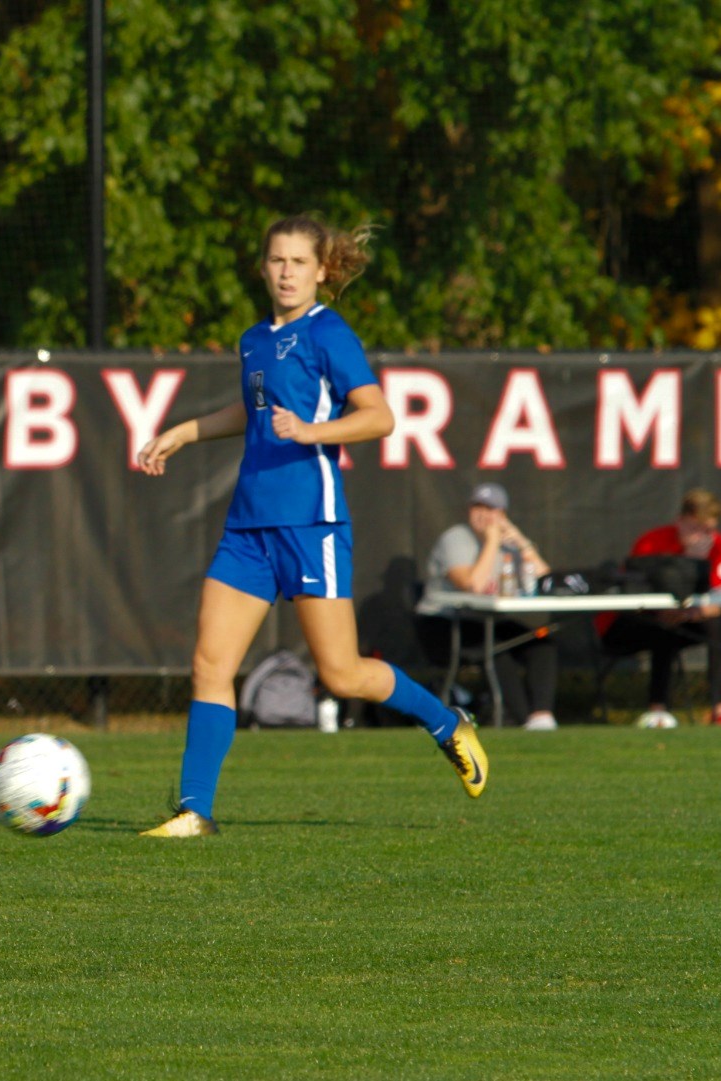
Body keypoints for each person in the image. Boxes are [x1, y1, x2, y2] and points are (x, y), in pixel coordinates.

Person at [134, 214, 488, 838]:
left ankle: (447, 724)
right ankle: (194, 811)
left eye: (299, 262)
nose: (287, 272)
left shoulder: (330, 332)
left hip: (311, 524)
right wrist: (183, 433)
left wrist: (314, 432)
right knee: (209, 666)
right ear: (263, 268)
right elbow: (253, 412)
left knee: (342, 673)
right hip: (248, 528)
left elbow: (378, 417)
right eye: (277, 261)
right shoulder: (254, 340)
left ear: (322, 270)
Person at [417, 483, 559, 730]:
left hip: (490, 619)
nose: (483, 515)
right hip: (447, 623)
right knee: (497, 649)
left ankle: (541, 717)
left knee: (541, 642)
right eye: (477, 507)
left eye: (491, 509)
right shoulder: (456, 538)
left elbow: (547, 581)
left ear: (502, 514)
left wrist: (522, 543)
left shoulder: (511, 542)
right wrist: (492, 541)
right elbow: (473, 584)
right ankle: (522, 717)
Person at [598, 489, 721, 728]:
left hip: (687, 619)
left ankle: (718, 709)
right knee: (663, 630)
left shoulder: (716, 547)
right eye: (694, 528)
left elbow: (717, 596)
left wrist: (691, 607)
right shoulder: (653, 542)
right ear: (680, 521)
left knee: (717, 625)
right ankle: (658, 710)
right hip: (638, 620)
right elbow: (636, 590)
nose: (701, 536)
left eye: (708, 529)